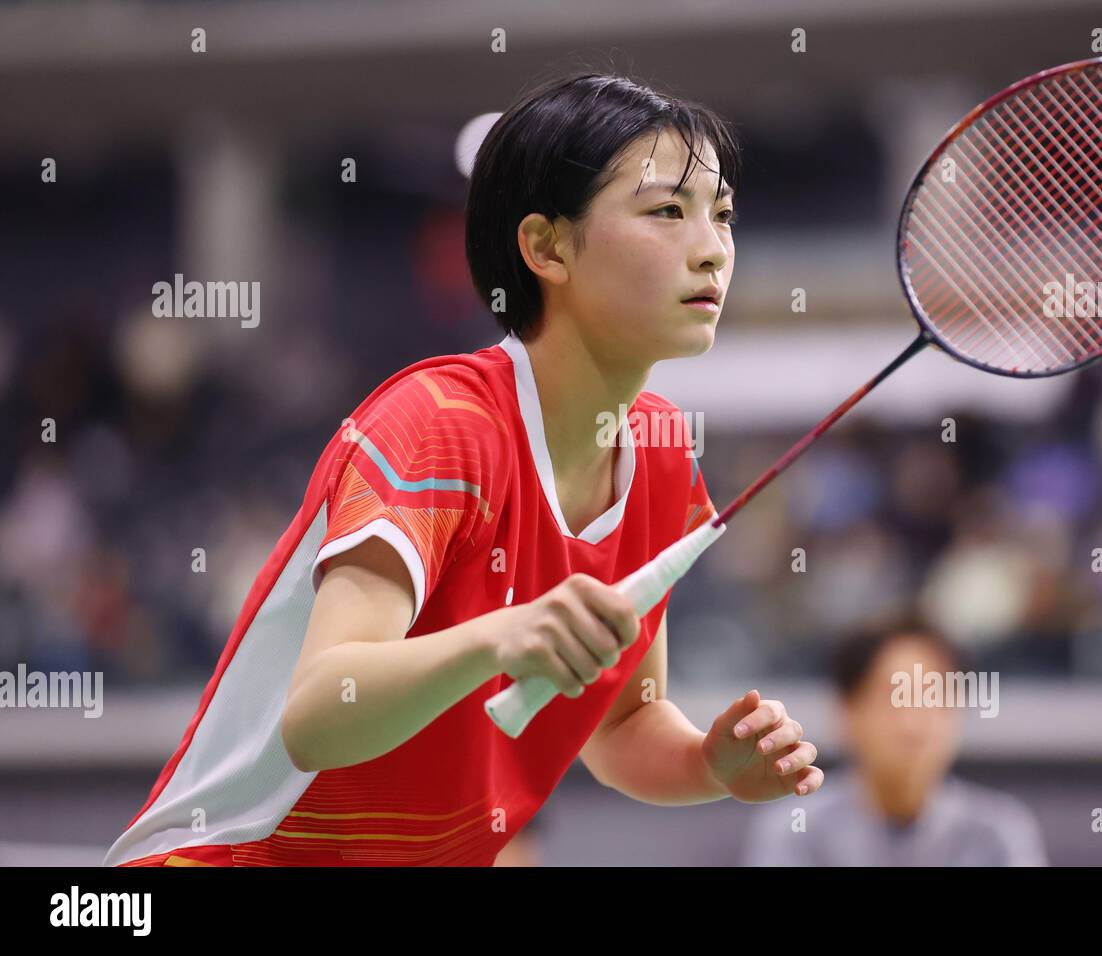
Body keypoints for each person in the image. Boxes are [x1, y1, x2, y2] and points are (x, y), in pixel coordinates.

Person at [104, 70, 822, 867]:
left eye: (721, 215)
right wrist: (503, 636)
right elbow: (319, 714)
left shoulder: (659, 453)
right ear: (546, 245)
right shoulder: (441, 427)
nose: (712, 249)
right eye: (666, 212)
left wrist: (709, 766)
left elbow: (619, 725)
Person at [739, 613, 1046, 866]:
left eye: (933, 696)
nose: (913, 724)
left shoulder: (999, 832)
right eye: (894, 697)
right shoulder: (794, 831)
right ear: (847, 711)